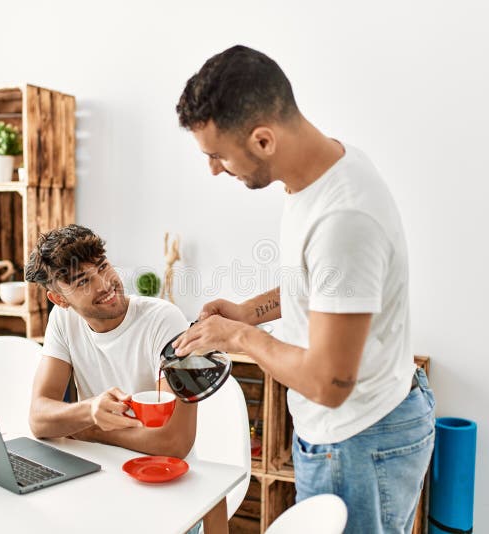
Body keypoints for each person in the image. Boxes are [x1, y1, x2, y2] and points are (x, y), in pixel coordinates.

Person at [172, 45, 435, 533]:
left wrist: (238, 338)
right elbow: (323, 281)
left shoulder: (344, 218)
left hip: (359, 438)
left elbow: (330, 384)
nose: (212, 169)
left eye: (217, 156)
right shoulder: (317, 176)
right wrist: (247, 312)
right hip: (348, 433)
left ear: (264, 140)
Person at [24, 224, 196, 459]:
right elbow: (38, 418)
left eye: (103, 267)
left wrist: (88, 429)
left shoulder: (164, 320)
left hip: (161, 471)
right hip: (99, 467)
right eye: (83, 281)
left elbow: (175, 441)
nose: (104, 285)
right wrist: (90, 410)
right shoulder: (63, 320)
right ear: (59, 299)